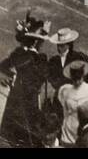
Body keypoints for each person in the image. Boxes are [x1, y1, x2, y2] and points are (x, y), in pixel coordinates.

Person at [0, 13, 53, 147]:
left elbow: (38, 80)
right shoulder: (21, 53)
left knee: (22, 135)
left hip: (25, 104)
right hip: (17, 103)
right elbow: (3, 66)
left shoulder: (38, 58)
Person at [57, 59, 88, 147]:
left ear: (83, 77)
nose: (77, 82)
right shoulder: (66, 90)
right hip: (69, 125)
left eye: (79, 79)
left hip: (84, 124)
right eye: (74, 79)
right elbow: (64, 108)